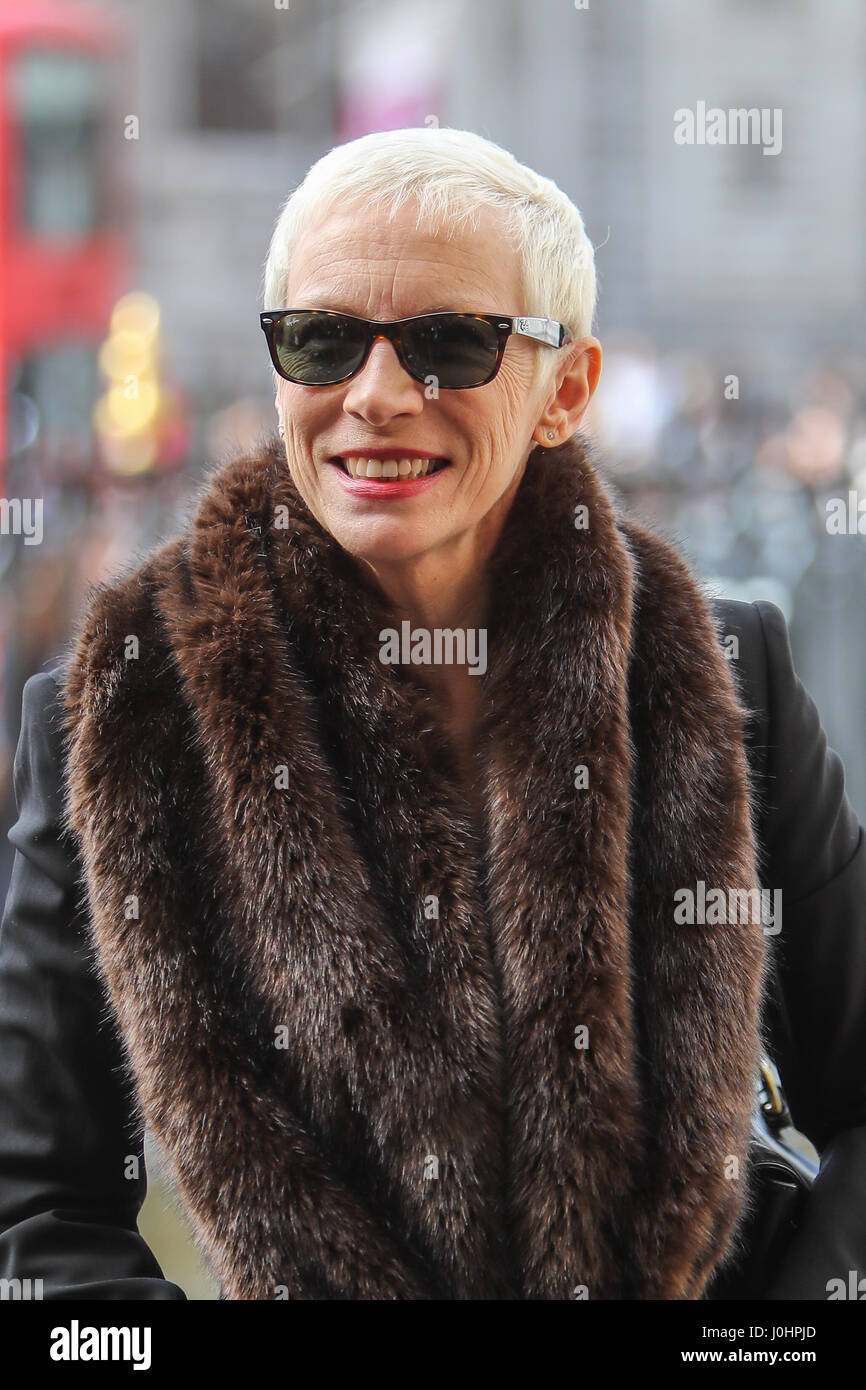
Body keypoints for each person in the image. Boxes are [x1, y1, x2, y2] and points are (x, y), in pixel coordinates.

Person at [1, 126, 864, 1301]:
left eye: (449, 344)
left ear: (565, 388)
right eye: (320, 340)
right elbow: (38, 1219)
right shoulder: (111, 719)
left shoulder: (726, 669)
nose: (375, 395)